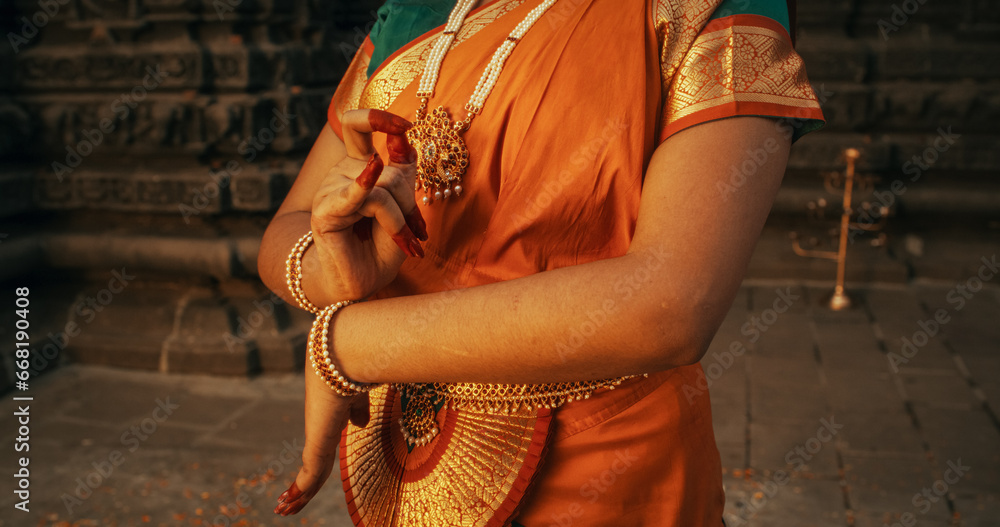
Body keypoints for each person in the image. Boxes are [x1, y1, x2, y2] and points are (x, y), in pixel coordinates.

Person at [257, 0, 824, 524]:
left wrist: (349, 343)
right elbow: (283, 235)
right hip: (406, 457)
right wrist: (340, 270)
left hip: (605, 464)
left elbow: (673, 302)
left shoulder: (702, 9)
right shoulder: (416, 13)